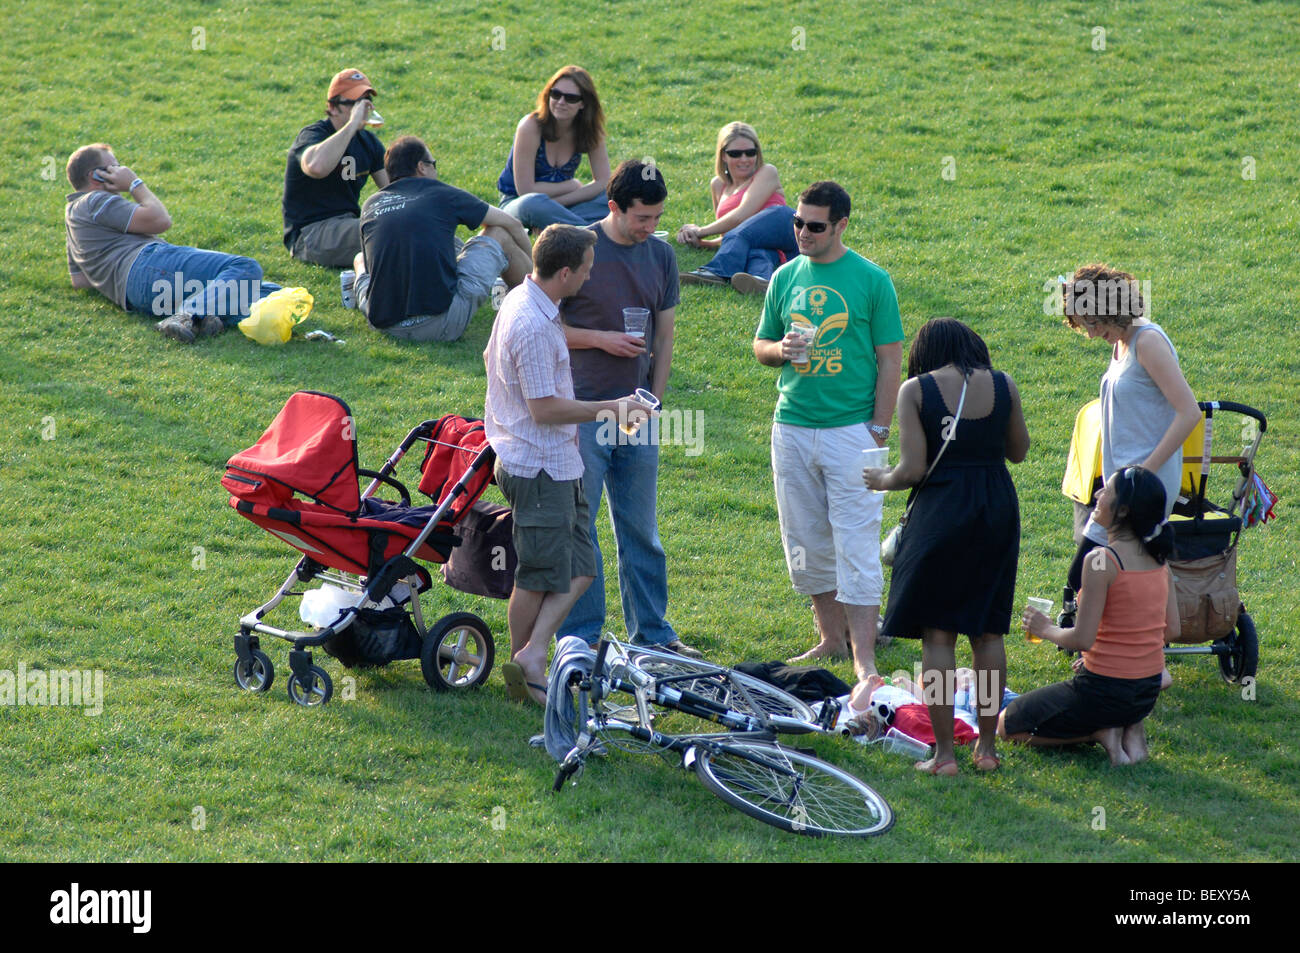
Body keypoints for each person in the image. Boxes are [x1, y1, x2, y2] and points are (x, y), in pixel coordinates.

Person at [483, 224, 653, 705]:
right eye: (586, 270)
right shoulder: (534, 324)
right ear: (564, 271)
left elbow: (490, 358)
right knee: (537, 575)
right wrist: (612, 409)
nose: (589, 277)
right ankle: (525, 667)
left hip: (557, 462)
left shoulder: (531, 301)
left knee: (580, 569)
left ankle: (532, 653)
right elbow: (545, 409)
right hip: (536, 466)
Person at [863, 318, 1030, 775]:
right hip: (996, 507)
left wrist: (881, 480)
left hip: (941, 512)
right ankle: (989, 751)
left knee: (939, 635)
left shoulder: (915, 390)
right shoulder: (1004, 384)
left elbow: (913, 469)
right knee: (988, 633)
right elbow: (1019, 451)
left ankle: (944, 755)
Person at [753, 181, 904, 682]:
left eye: (814, 226)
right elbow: (761, 345)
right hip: (791, 426)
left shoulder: (872, 280)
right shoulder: (785, 277)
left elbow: (890, 360)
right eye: (797, 222)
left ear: (841, 225)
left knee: (857, 544)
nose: (802, 232)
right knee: (805, 539)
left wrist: (879, 430)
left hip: (852, 433)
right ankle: (830, 639)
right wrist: (781, 352)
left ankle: (865, 660)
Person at [555, 160, 699, 657]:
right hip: (584, 412)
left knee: (641, 529)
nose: (652, 228)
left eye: (658, 217)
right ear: (614, 207)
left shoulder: (660, 256)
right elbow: (538, 325)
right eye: (643, 218)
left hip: (638, 414)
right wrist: (600, 340)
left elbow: (665, 333)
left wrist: (654, 400)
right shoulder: (576, 249)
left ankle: (654, 635)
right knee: (582, 527)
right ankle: (582, 637)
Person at [1000, 466, 1179, 765]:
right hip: (1145, 691)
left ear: (1122, 511)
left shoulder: (1101, 562)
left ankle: (1101, 732)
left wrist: (1044, 629)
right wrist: (1114, 652)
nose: (1097, 494)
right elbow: (1171, 630)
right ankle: (1129, 727)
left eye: (1106, 490)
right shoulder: (1161, 563)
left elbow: (1082, 637)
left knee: (1006, 724)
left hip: (1103, 692)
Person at [1060, 264, 1199, 625]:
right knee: (1101, 573)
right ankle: (1117, 648)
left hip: (1143, 484)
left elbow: (1188, 412)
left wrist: (1143, 474)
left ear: (1109, 307)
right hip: (1121, 483)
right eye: (1083, 326)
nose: (1090, 334)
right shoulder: (1122, 343)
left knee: (1090, 573)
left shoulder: (1147, 341)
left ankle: (1125, 652)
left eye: (1092, 323)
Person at [64, 143, 270, 343]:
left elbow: (80, 280)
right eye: (114, 167)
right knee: (244, 267)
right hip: (147, 266)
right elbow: (160, 221)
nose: (121, 171)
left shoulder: (73, 216)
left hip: (139, 296)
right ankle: (187, 314)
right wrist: (134, 183)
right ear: (96, 175)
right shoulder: (96, 200)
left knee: (264, 291)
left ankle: (200, 317)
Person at [352, 136, 532, 342]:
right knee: (499, 234)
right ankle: (539, 301)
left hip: (385, 326)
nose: (436, 172)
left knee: (360, 260)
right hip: (440, 325)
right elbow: (513, 224)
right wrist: (535, 270)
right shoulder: (440, 193)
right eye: (433, 164)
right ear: (422, 167)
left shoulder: (371, 204)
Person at [282, 68, 389, 267]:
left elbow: (393, 191)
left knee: (409, 227)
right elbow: (316, 167)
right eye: (354, 103)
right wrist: (352, 125)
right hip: (311, 233)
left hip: (347, 225)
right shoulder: (313, 135)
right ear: (332, 106)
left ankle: (461, 261)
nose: (363, 108)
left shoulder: (369, 143)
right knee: (387, 231)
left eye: (366, 101)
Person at [677, 122, 798, 296]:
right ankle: (760, 280)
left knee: (743, 234)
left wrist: (700, 231)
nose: (744, 159)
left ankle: (716, 272)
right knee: (758, 251)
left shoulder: (767, 172)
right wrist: (702, 243)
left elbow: (741, 217)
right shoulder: (718, 186)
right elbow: (729, 239)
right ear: (723, 156)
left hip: (782, 226)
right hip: (761, 245)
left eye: (750, 152)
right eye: (735, 153)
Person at [496, 66, 611, 230]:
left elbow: (603, 182)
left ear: (583, 103)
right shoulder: (530, 127)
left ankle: (577, 230)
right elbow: (526, 191)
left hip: (562, 205)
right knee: (533, 203)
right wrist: (570, 186)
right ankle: (590, 234)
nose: (560, 102)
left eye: (570, 98)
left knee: (612, 197)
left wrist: (556, 204)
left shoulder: (590, 130)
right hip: (518, 205)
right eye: (555, 94)